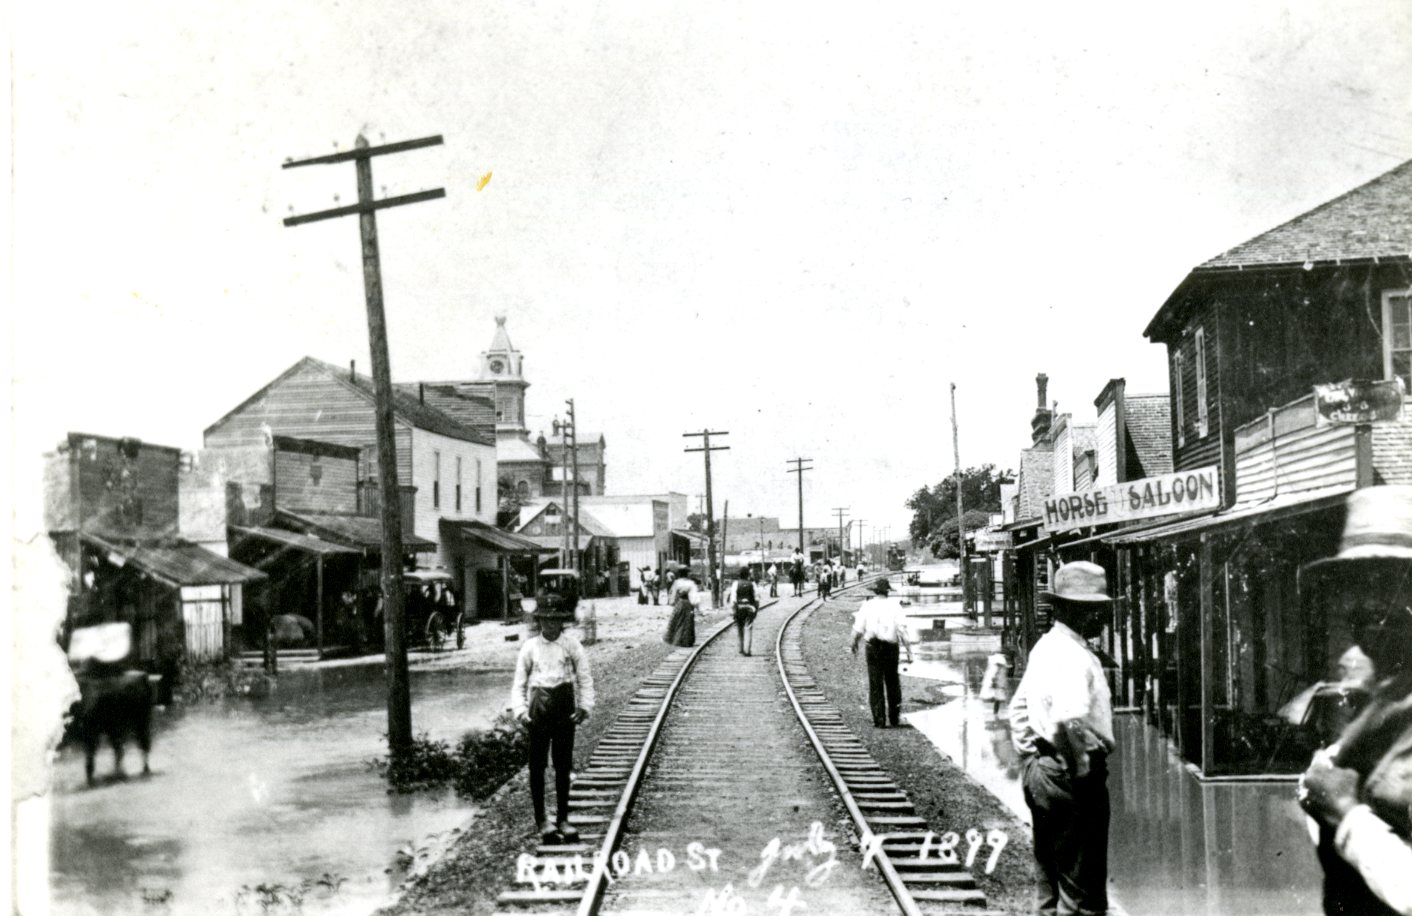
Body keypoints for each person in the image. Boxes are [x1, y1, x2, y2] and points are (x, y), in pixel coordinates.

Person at [1296, 486, 1412, 916]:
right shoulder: (1387, 696)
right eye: (1356, 586)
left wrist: (1345, 813)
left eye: (1387, 582)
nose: (1366, 606)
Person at [1009, 561, 1116, 916]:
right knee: (1082, 895)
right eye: (1094, 609)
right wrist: (1081, 768)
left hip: (1044, 770)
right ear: (1070, 609)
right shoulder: (1073, 656)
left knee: (1050, 885)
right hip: (1071, 774)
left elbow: (1018, 712)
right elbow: (1068, 719)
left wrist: (1033, 762)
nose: (1100, 616)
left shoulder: (1045, 646)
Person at [510, 600, 594, 844]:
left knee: (563, 764)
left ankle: (563, 818)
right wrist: (520, 710)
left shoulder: (571, 645)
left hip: (564, 708)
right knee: (537, 766)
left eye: (555, 619)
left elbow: (585, 678)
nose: (550, 624)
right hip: (538, 710)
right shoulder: (530, 647)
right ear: (539, 621)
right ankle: (541, 819)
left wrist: (584, 707)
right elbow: (519, 683)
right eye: (545, 619)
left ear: (562, 621)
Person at [849, 577, 913, 728]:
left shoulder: (867, 605)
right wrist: (909, 651)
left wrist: (854, 644)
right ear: (887, 591)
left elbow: (858, 629)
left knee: (875, 682)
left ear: (875, 591)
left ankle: (879, 720)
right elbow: (902, 630)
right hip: (891, 647)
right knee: (892, 682)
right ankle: (894, 718)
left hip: (873, 647)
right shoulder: (895, 606)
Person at [727, 567, 759, 656]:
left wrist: (733, 610)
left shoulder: (735, 584)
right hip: (749, 608)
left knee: (740, 628)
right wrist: (756, 609)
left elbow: (733, 599)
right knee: (748, 627)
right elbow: (757, 598)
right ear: (748, 575)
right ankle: (747, 650)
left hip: (739, 608)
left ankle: (741, 648)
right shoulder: (752, 584)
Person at [663, 566, 698, 647]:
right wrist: (695, 605)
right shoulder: (690, 583)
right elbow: (694, 596)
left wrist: (672, 602)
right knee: (688, 622)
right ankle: (687, 641)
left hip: (680, 603)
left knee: (677, 621)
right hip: (688, 603)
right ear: (687, 574)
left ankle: (676, 640)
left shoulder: (676, 582)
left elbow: (673, 594)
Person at [979, 652, 1011, 716]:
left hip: (1000, 684)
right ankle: (996, 712)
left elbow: (1002, 676)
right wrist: (995, 682)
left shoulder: (1000, 667)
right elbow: (995, 676)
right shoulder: (997, 668)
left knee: (999, 698)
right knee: (999, 698)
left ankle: (996, 712)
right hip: (999, 684)